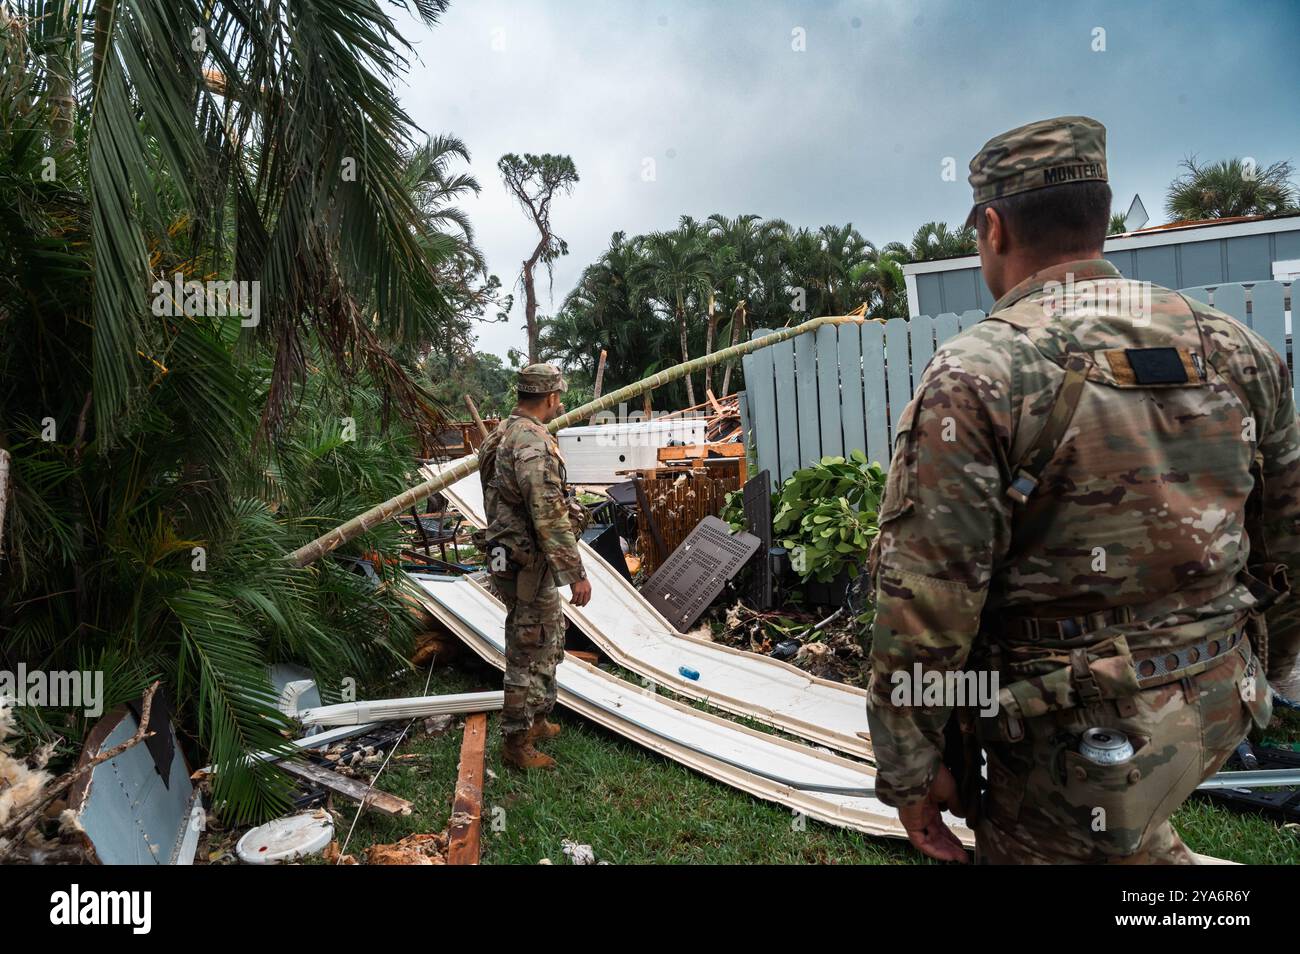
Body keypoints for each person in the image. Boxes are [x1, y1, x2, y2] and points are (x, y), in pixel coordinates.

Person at [865, 115, 1300, 864]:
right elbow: (1289, 536)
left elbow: (927, 602)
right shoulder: (1235, 346)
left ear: (993, 229)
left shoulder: (980, 373)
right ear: (1100, 217)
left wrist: (908, 768)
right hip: (1218, 696)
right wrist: (1268, 663)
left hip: (1063, 737)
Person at [476, 363, 592, 770]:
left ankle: (538, 717)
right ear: (552, 397)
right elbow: (547, 513)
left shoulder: (500, 434)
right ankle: (516, 743)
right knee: (528, 645)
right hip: (527, 561)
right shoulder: (531, 444)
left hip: (514, 555)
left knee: (549, 633)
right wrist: (575, 572)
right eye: (559, 395)